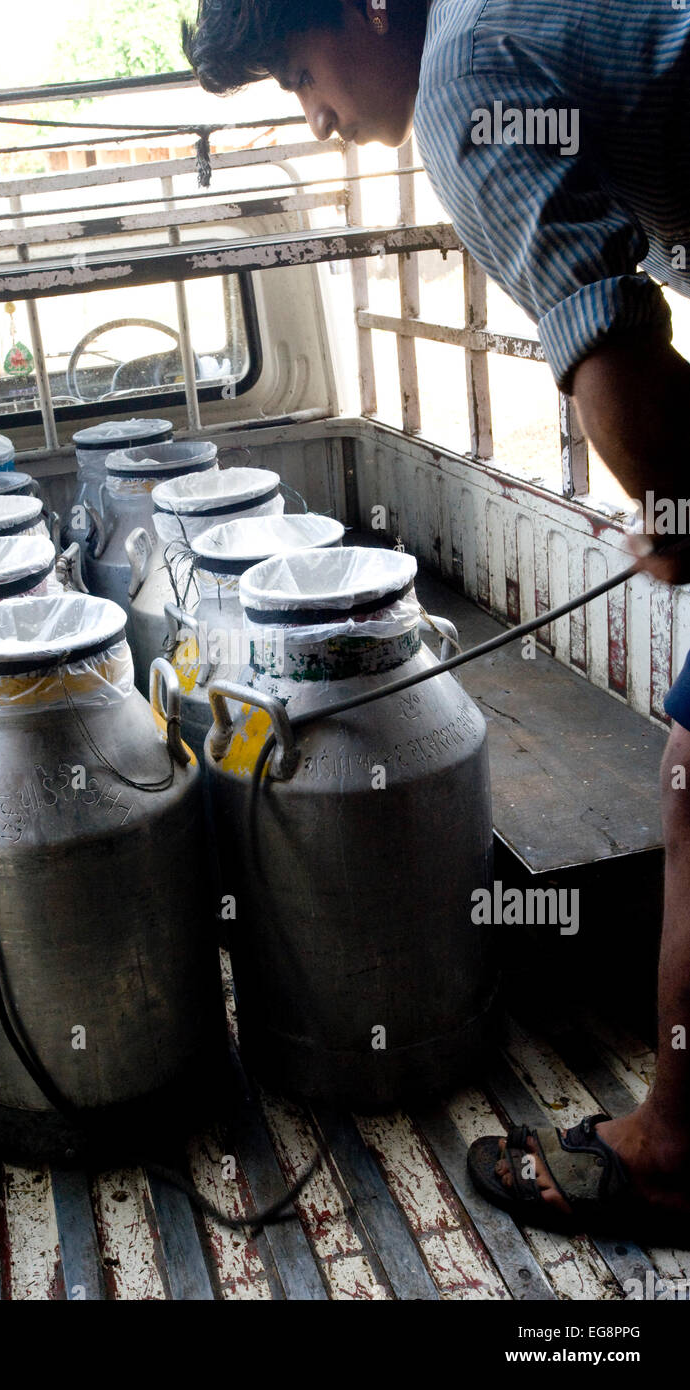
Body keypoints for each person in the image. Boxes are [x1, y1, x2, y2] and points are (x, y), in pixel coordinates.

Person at [182, 0, 690, 1236]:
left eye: (301, 72)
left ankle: (673, 1153)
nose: (314, 114)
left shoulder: (468, 74)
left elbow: (611, 343)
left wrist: (679, 500)